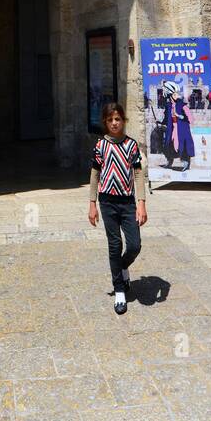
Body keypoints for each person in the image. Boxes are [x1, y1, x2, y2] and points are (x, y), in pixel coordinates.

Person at [88, 101, 148, 315]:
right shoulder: (100, 145)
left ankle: (122, 267)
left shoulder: (131, 146)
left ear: (123, 121)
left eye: (118, 119)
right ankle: (119, 289)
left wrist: (141, 203)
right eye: (111, 119)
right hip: (107, 202)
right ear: (106, 122)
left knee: (134, 245)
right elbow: (95, 174)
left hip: (127, 202)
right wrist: (92, 203)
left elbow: (138, 174)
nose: (115, 123)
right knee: (114, 245)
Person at [162, 81, 195, 171]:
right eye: (175, 94)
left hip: (181, 129)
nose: (177, 95)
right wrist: (162, 123)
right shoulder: (168, 106)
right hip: (171, 128)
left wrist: (179, 115)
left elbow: (190, 118)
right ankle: (169, 161)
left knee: (183, 145)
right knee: (168, 144)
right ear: (170, 95)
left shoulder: (182, 105)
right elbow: (166, 117)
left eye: (177, 93)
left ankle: (186, 163)